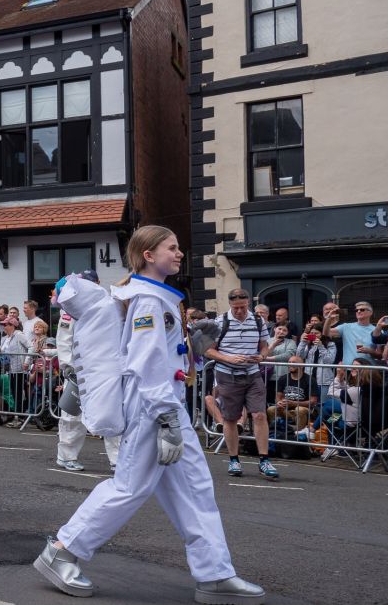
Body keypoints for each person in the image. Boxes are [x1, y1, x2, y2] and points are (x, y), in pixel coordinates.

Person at [34, 225, 264, 604]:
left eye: (178, 248)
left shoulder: (153, 297)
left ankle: (215, 574)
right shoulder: (147, 300)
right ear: (148, 256)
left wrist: (191, 351)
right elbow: (143, 365)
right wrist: (166, 419)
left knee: (195, 489)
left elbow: (159, 357)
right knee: (129, 487)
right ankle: (62, 550)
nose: (178, 254)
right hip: (153, 408)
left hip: (162, 407)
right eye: (171, 248)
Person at [206, 288, 278, 480]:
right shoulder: (219, 322)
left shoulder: (257, 320)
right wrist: (229, 358)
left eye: (243, 307)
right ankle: (234, 459)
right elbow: (209, 351)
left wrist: (261, 356)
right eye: (236, 307)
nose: (239, 311)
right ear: (230, 304)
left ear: (248, 303)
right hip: (227, 376)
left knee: (260, 414)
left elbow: (264, 345)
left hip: (253, 374)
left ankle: (264, 460)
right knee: (230, 419)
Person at [53, 270, 120, 472]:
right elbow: (64, 340)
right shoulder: (72, 308)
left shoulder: (109, 305)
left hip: (104, 369)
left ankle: (118, 460)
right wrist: (67, 366)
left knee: (112, 414)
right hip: (80, 371)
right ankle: (66, 456)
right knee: (72, 417)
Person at [266, 356, 317, 438]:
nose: (290, 364)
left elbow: (313, 401)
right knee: (271, 409)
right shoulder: (283, 378)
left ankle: (298, 435)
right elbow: (277, 397)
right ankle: (274, 432)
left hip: (303, 410)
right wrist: (279, 402)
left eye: (294, 362)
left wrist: (294, 403)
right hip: (285, 409)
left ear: (302, 365)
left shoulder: (310, 380)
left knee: (299, 409)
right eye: (289, 362)